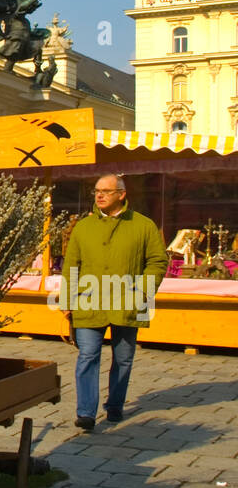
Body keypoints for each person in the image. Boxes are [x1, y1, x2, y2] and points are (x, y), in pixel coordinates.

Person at [60, 175, 167, 430]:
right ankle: (86, 412)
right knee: (87, 355)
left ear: (121, 194)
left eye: (106, 191)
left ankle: (115, 405)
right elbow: (71, 265)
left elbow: (158, 261)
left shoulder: (144, 225)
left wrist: (141, 293)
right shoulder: (83, 227)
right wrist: (67, 299)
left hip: (128, 303)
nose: (99, 195)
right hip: (89, 302)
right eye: (96, 191)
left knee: (124, 358)